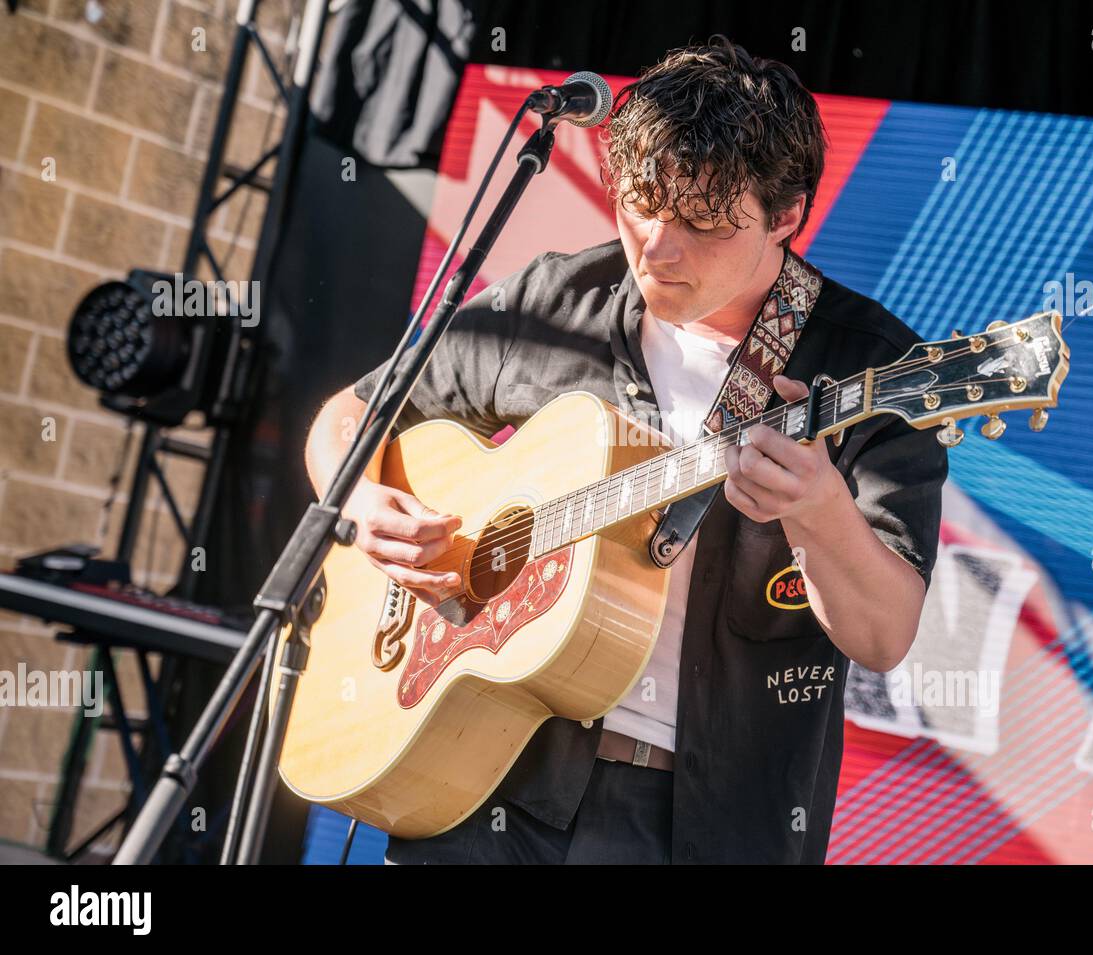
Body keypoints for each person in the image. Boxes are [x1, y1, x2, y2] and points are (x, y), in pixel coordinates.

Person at [304, 35, 947, 864]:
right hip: (484, 773)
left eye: (704, 221)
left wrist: (820, 514)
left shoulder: (869, 367)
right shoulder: (557, 297)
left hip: (691, 823)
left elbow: (883, 633)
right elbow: (348, 415)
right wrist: (361, 506)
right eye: (642, 202)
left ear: (787, 217)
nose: (658, 246)